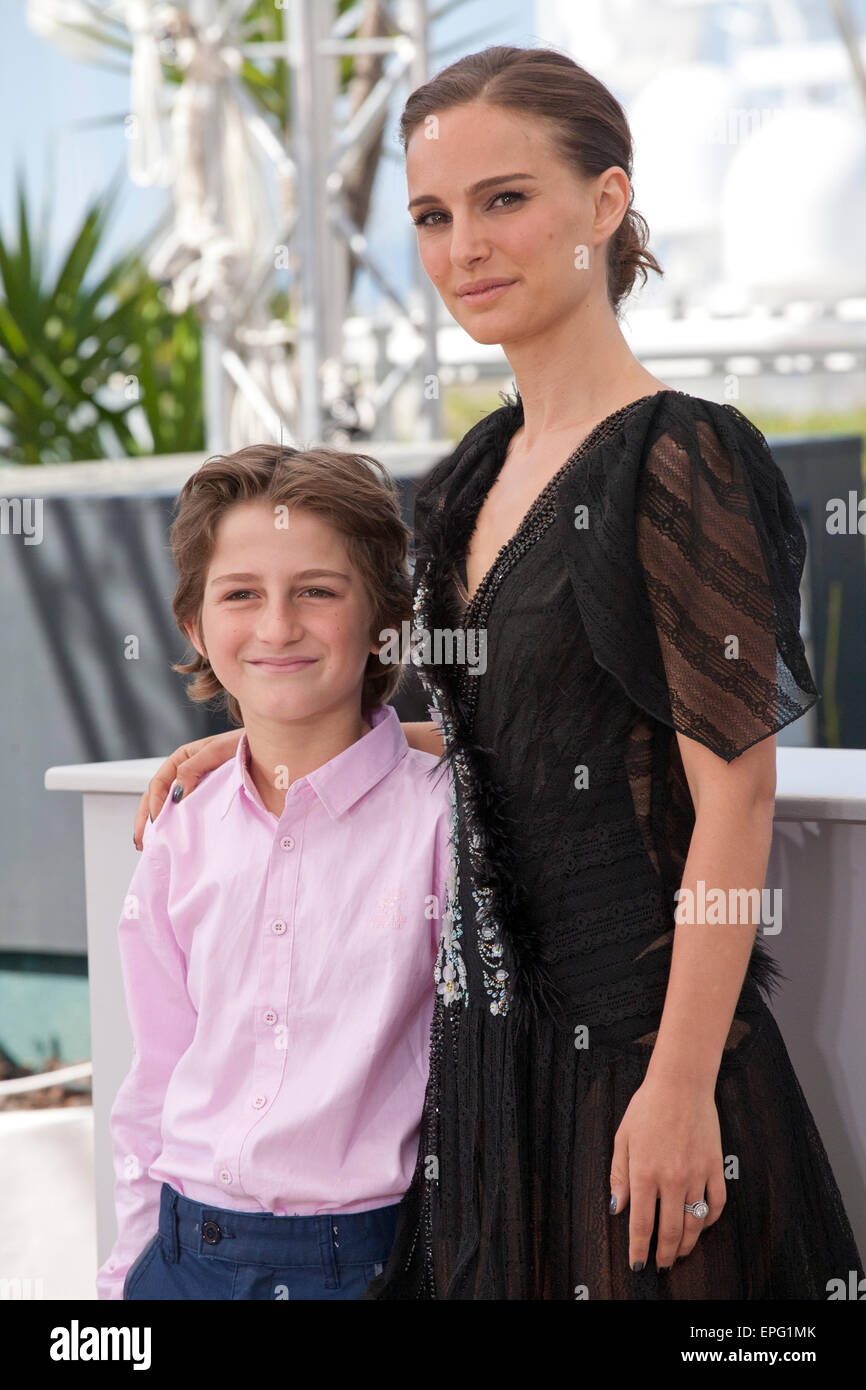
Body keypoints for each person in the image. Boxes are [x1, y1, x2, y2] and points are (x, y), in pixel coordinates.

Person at [134, 46, 864, 1300]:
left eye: (504, 198)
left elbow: (734, 793)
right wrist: (267, 745)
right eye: (430, 214)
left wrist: (680, 1080)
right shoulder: (468, 476)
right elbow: (519, 735)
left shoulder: (684, 456)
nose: (463, 242)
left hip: (637, 1043)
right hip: (485, 1058)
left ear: (604, 202)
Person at [98, 443, 452, 1299]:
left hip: (365, 1263)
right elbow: (155, 1077)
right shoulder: (181, 831)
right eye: (241, 594)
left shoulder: (442, 819)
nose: (277, 626)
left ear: (383, 622)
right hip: (179, 1256)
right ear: (194, 624)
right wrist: (121, 1280)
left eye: (318, 592)